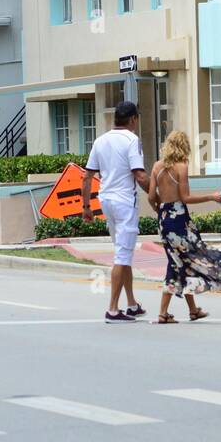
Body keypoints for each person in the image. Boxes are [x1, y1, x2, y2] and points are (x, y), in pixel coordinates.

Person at [147, 130, 221, 324]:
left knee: (181, 262)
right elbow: (185, 197)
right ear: (184, 146)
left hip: (164, 220)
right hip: (180, 220)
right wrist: (212, 196)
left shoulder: (157, 166)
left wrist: (161, 210)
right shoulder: (181, 166)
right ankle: (163, 313)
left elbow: (150, 197)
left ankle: (192, 310)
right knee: (185, 261)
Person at [82, 100, 151, 323]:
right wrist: (156, 194)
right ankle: (112, 309)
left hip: (106, 200)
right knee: (122, 256)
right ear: (133, 119)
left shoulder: (100, 140)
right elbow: (139, 175)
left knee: (124, 252)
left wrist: (86, 207)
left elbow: (87, 176)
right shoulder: (132, 140)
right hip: (124, 202)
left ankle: (131, 304)